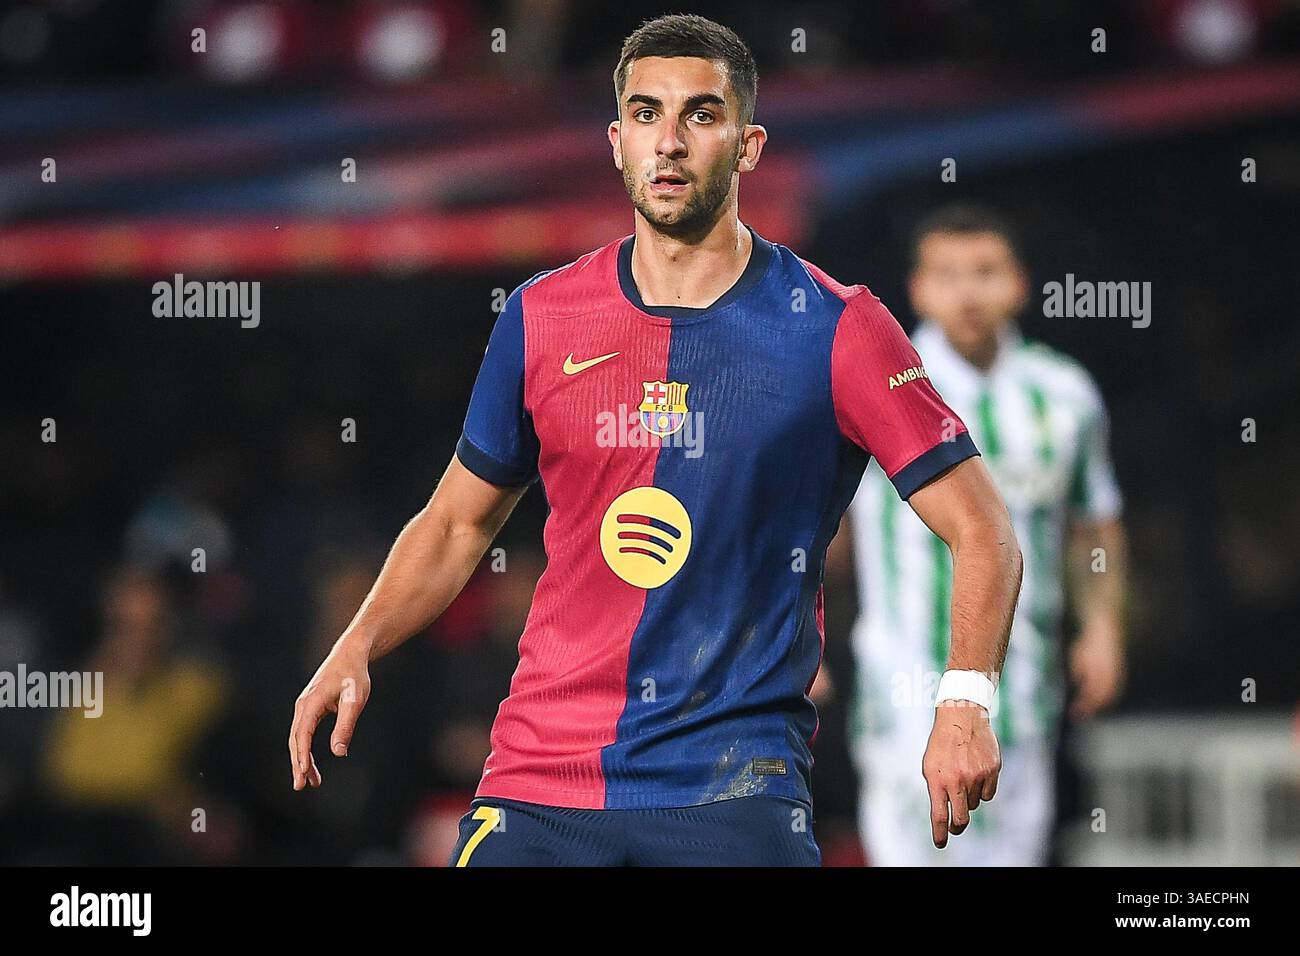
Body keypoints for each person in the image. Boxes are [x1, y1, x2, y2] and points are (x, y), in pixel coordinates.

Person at [290, 15, 1022, 866]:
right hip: (540, 782)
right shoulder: (539, 317)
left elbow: (984, 531)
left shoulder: (838, 328)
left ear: (748, 146)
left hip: (733, 790)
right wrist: (357, 643)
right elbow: (458, 524)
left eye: (701, 116)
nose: (669, 142)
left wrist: (965, 702)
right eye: (646, 114)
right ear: (615, 141)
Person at [844, 203, 1127, 866]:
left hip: (1023, 688)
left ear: (1019, 282)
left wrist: (1103, 628)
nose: (966, 292)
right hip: (901, 689)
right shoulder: (875, 384)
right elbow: (813, 524)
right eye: (946, 274)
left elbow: (1094, 523)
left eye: (985, 271)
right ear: (915, 288)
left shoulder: (1064, 396)